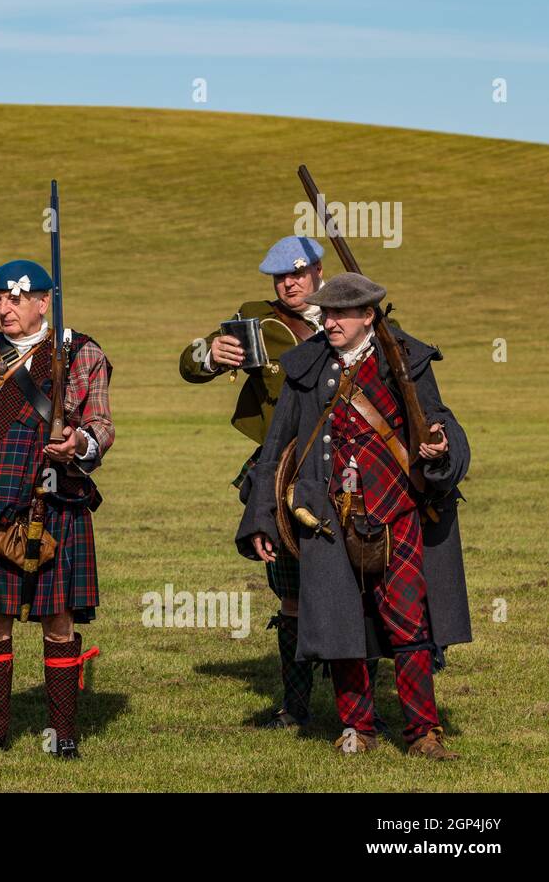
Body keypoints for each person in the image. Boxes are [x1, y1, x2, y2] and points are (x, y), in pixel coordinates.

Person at [237, 273, 471, 758]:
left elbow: (439, 424)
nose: (330, 320)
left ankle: (423, 732)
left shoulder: (405, 359)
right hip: (325, 515)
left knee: (409, 622)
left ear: (369, 316)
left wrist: (439, 447)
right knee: (341, 624)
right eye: (326, 312)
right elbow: (277, 444)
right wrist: (261, 518)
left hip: (396, 508)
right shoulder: (308, 365)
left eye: (342, 313)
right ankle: (357, 728)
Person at [0, 260, 112, 759]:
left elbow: (103, 425)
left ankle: (63, 736)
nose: (4, 308)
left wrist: (78, 443)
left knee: (58, 620)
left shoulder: (81, 354)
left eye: (14, 299)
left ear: (42, 302)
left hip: (58, 503)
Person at [178, 235, 325, 728]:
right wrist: (211, 356)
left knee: (358, 588)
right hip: (282, 468)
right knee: (292, 591)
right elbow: (190, 363)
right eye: (281, 278)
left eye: (298, 274)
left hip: (346, 467)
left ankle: (358, 710)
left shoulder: (350, 311)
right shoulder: (259, 319)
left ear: (318, 272)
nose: (289, 284)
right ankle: (296, 707)